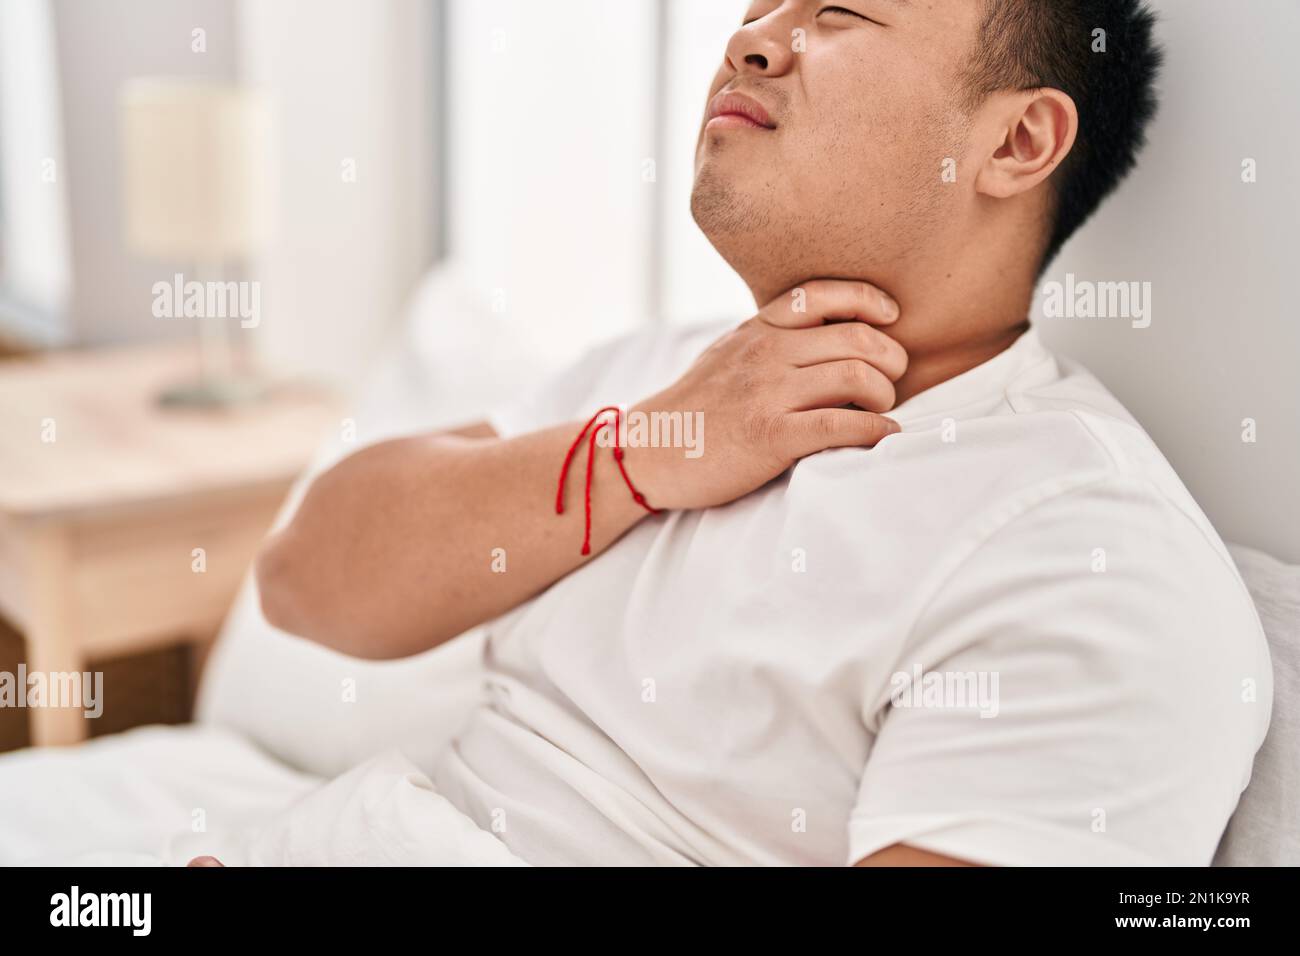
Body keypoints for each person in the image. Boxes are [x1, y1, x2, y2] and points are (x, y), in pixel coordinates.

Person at [253, 0, 1271, 866]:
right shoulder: (671, 374)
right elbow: (305, 580)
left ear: (1015, 143)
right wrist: (648, 447)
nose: (751, 38)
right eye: (761, 2)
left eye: (838, 11)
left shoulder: (1086, 554)